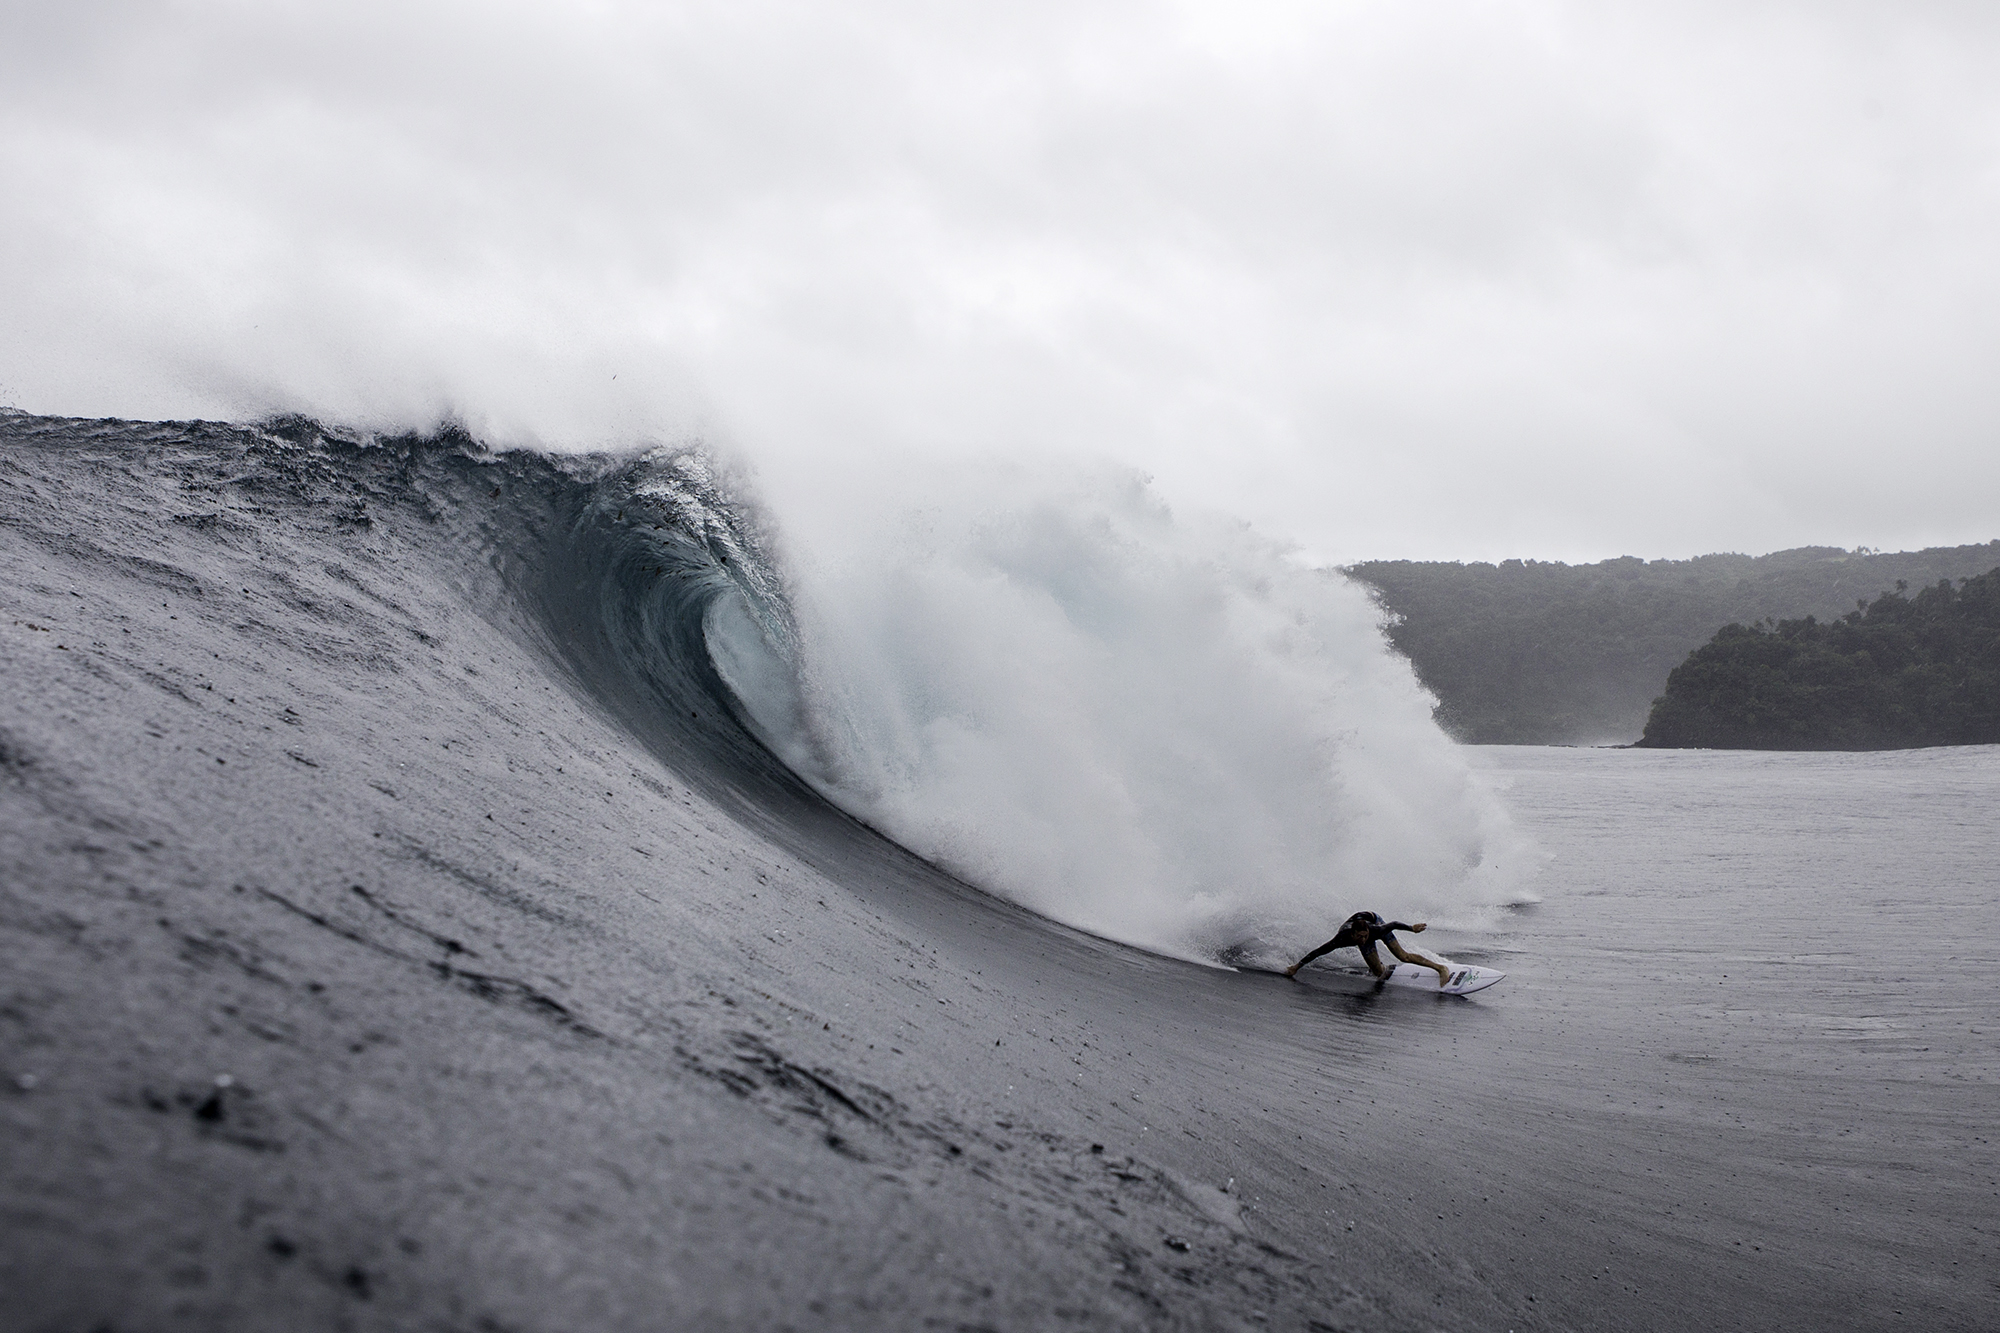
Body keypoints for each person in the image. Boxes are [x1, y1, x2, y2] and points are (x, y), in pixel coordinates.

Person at [1284, 911, 1452, 986]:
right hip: (1360, 924)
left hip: (1373, 919)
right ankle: (1383, 967)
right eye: (1360, 937)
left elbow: (1393, 924)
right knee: (1378, 972)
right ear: (1353, 934)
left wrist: (1411, 928)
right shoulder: (1341, 938)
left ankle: (1440, 968)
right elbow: (1319, 951)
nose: (1363, 940)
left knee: (1403, 956)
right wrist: (1297, 967)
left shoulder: (1375, 930)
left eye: (1365, 937)